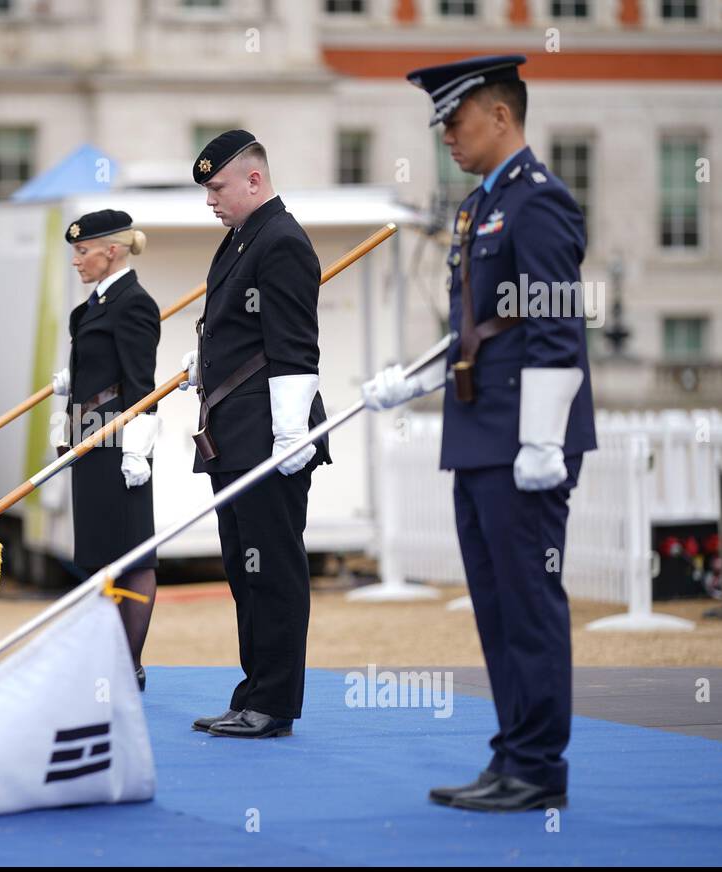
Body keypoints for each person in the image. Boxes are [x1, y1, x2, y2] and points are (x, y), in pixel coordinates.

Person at [362, 55, 596, 811]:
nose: (448, 140)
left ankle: (539, 769)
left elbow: (557, 327)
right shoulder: (476, 209)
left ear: (500, 115)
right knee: (496, 609)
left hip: (523, 443)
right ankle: (512, 753)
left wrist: (541, 441)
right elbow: (478, 329)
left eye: (456, 123)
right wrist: (414, 379)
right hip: (477, 434)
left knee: (529, 604)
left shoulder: (538, 203)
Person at [181, 130, 331, 739]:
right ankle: (252, 692)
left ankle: (274, 703)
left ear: (253, 179)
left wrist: (290, 437)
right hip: (235, 435)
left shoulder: (283, 242)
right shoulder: (241, 241)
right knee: (246, 573)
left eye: (217, 187)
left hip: (272, 437)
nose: (210, 200)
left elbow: (295, 346)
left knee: (274, 571)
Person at [51, 210, 161, 690]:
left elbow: (141, 384)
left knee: (132, 556)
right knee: (97, 553)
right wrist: (73, 384)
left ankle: (127, 662)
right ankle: (104, 656)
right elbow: (100, 365)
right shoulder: (91, 307)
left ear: (111, 251)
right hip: (89, 441)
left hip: (120, 445)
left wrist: (137, 449)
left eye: (82, 251)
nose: (76, 260)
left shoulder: (134, 303)